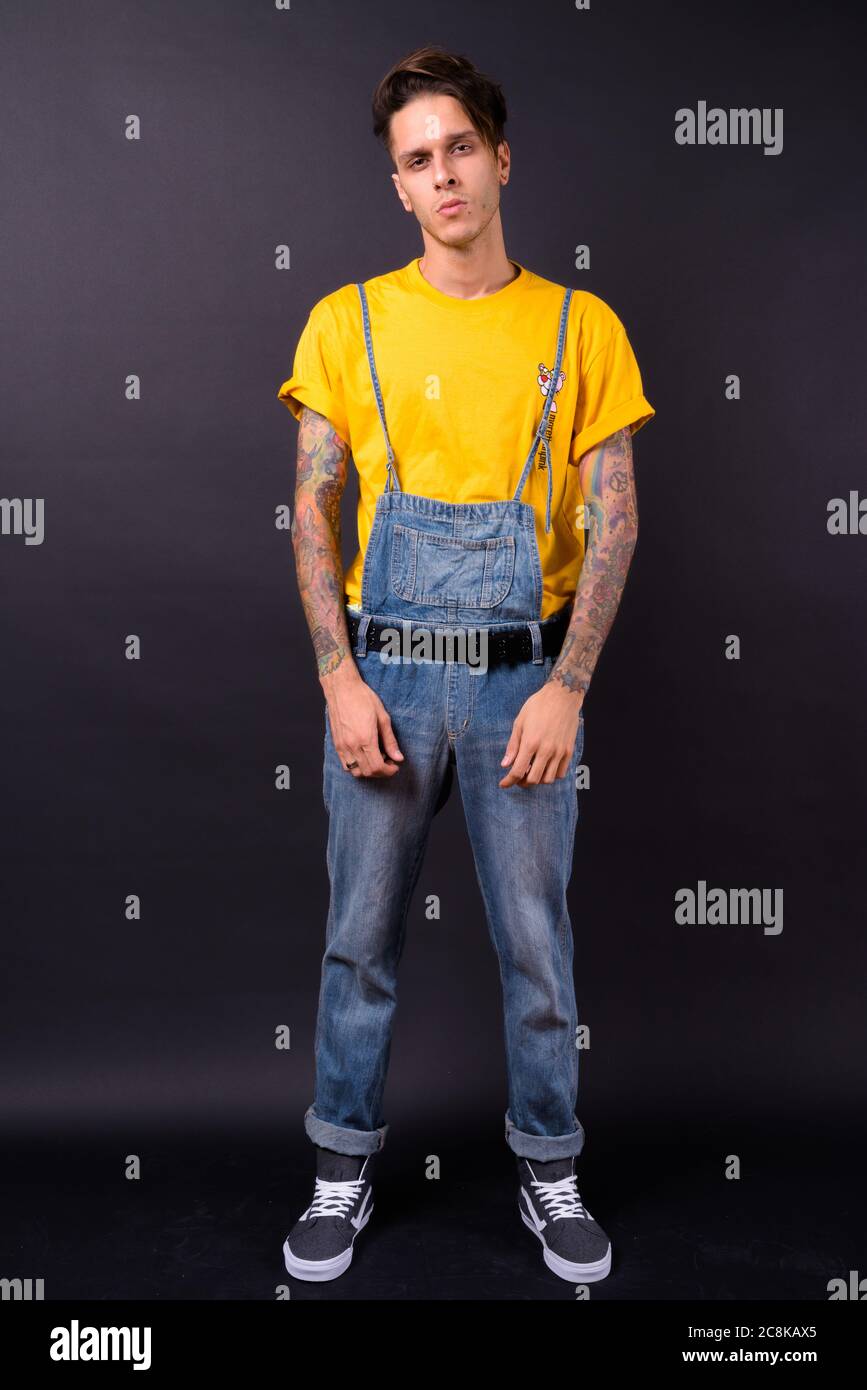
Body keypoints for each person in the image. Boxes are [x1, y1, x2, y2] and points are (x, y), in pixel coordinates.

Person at [276, 43, 654, 1286]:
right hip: (382, 674)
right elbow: (315, 511)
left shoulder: (578, 323)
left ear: (502, 154)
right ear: (398, 185)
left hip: (520, 690)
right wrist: (337, 677)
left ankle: (550, 1169)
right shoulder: (346, 320)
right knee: (357, 941)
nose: (441, 176)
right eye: (414, 160)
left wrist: (567, 685)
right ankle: (341, 1166)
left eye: (457, 149)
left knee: (538, 950)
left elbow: (617, 517)